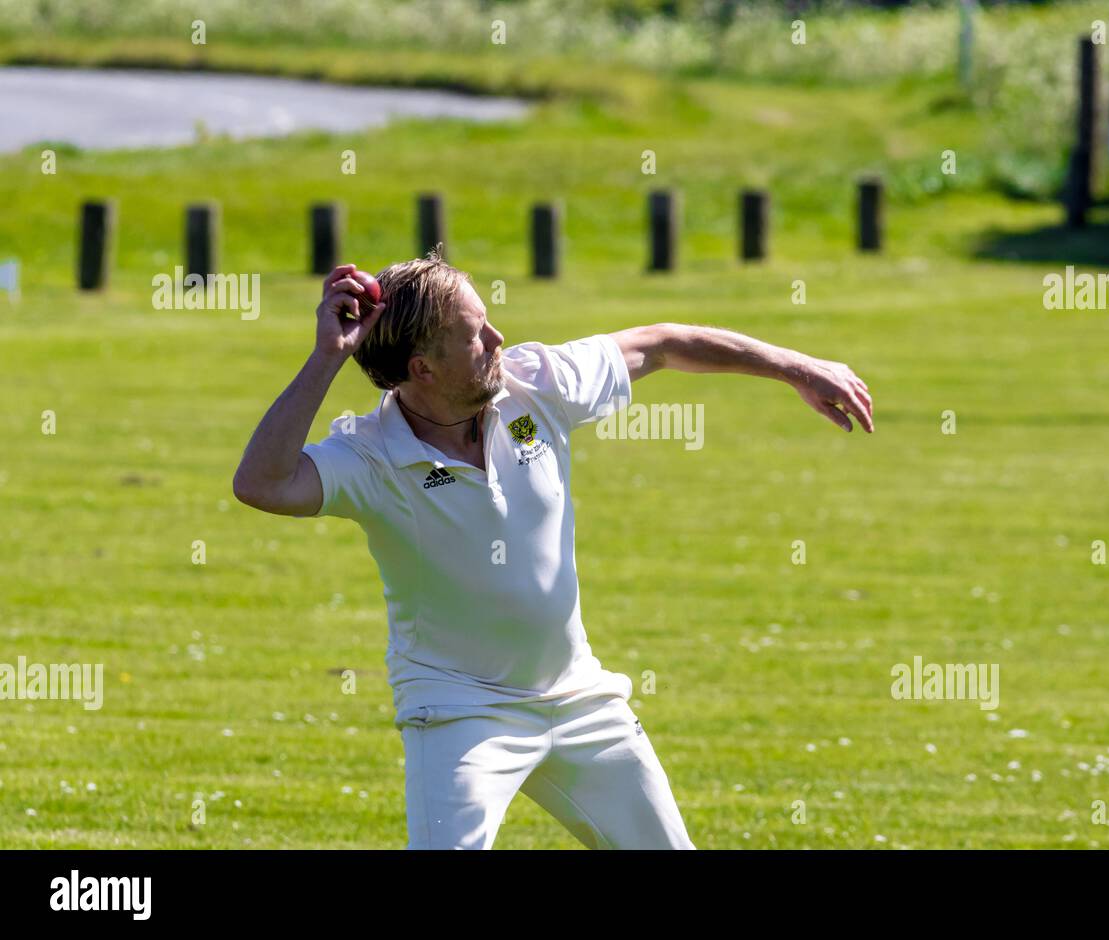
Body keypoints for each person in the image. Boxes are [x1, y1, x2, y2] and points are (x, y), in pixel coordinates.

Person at [232, 253, 874, 849]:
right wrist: (326, 357)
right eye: (475, 334)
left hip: (579, 699)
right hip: (459, 710)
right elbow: (260, 483)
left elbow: (663, 343)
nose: (497, 341)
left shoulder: (536, 385)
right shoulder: (370, 456)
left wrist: (796, 366)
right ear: (423, 369)